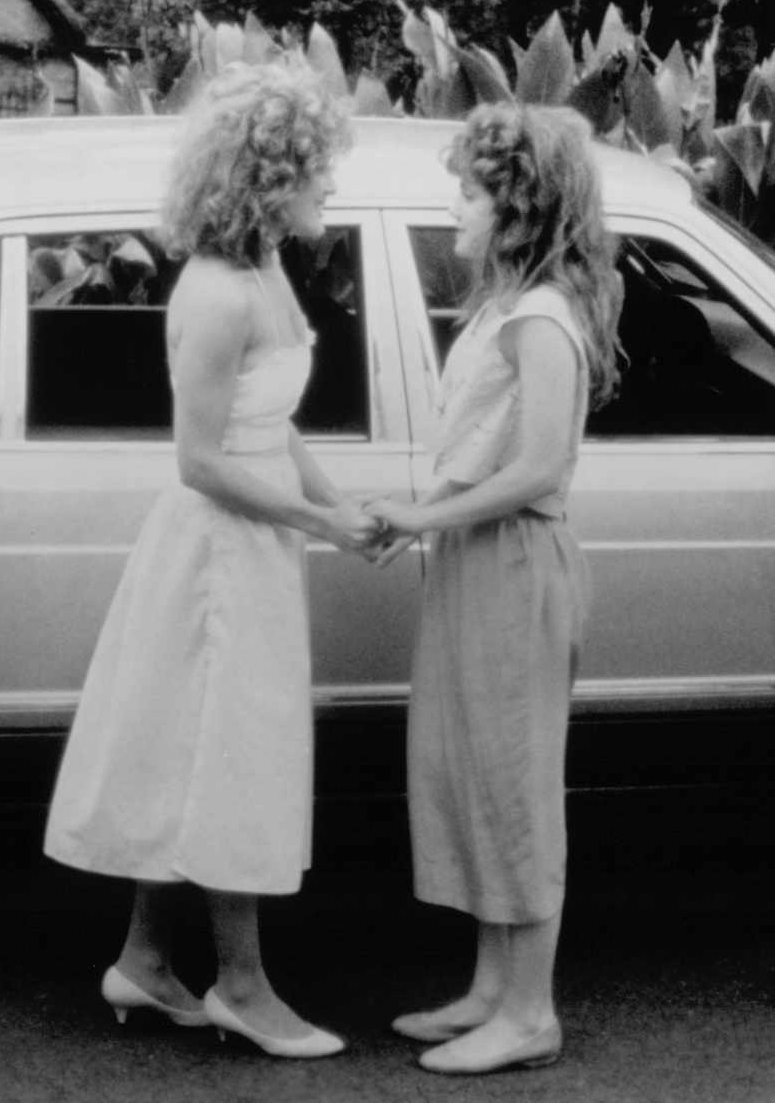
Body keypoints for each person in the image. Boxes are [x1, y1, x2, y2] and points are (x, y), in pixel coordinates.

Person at [43, 62, 378, 1060]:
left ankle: (145, 962)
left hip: (257, 540)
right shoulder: (219, 293)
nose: (327, 188)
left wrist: (334, 504)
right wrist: (322, 528)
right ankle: (240, 985)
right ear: (265, 180)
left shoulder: (267, 270)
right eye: (314, 172)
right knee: (230, 759)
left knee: (195, 753)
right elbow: (200, 462)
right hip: (218, 557)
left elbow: (269, 427)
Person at [366, 104, 622, 1076]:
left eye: (470, 193)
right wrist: (418, 516)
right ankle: (487, 986)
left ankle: (529, 1013)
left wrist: (422, 518)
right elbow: (474, 454)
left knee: (517, 786)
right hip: (475, 557)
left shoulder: (542, 317)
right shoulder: (502, 307)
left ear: (517, 208)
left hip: (513, 558)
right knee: (471, 771)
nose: (457, 210)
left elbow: (537, 467)